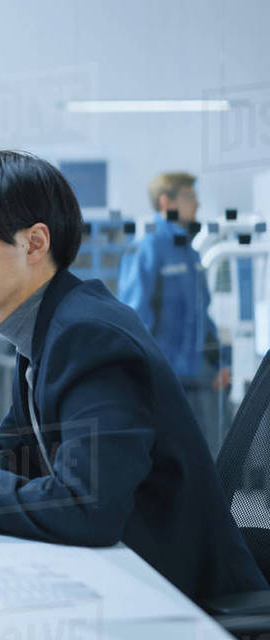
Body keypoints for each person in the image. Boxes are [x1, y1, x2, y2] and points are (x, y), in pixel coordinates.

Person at [0, 150, 265, 602]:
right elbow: (12, 450)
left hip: (184, 608)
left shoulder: (87, 336)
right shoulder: (46, 331)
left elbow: (87, 506)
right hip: (129, 582)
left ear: (33, 242)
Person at [118, 172, 230, 454]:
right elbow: (133, 318)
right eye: (190, 197)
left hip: (196, 377)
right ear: (166, 202)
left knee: (202, 458)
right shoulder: (147, 249)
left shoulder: (190, 254)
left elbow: (202, 316)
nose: (198, 204)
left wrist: (220, 362)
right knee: (168, 461)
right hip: (163, 378)